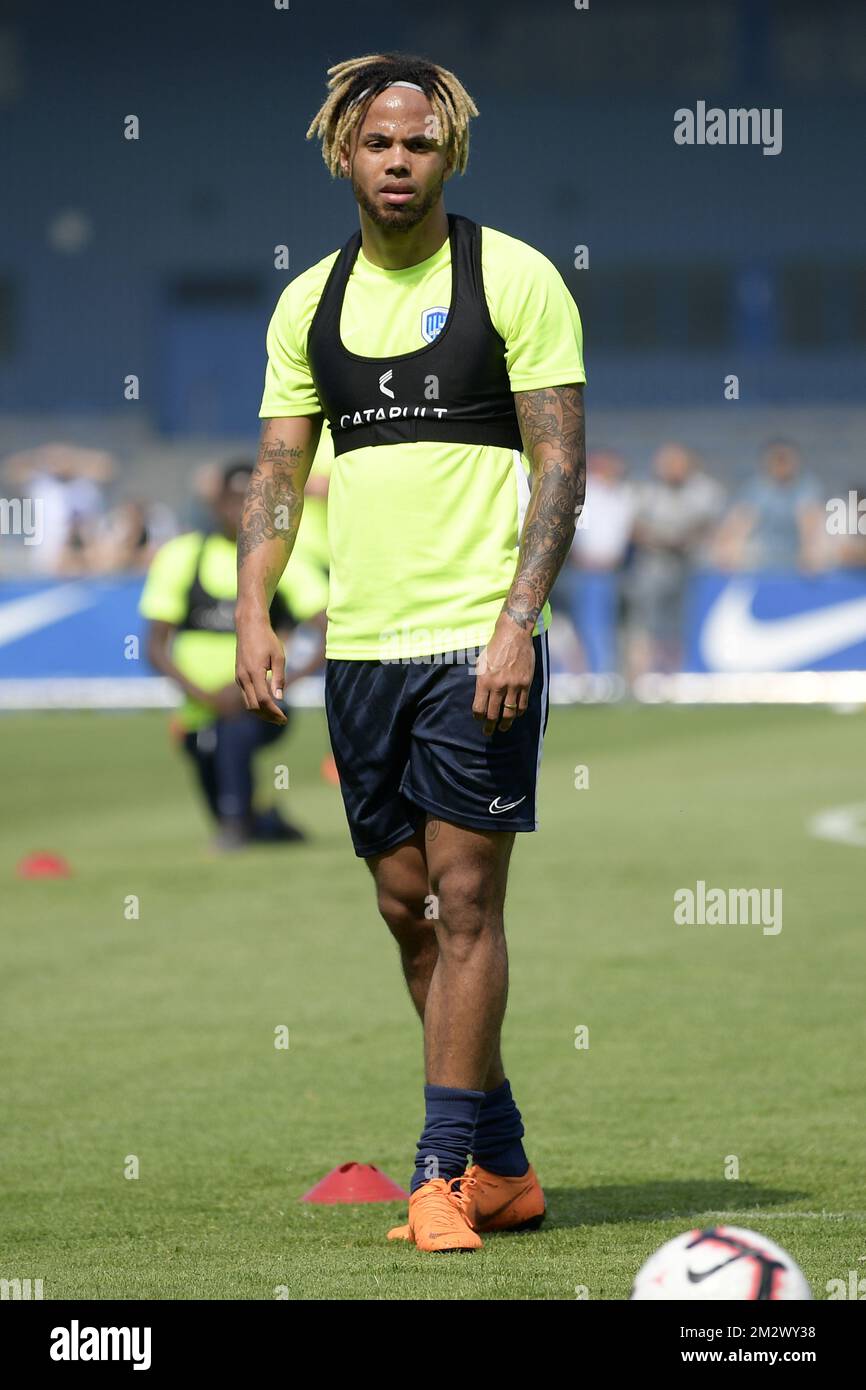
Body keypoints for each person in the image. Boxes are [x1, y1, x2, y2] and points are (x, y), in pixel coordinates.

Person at [234, 53, 586, 1254]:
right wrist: (251, 610)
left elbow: (560, 469)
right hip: (364, 653)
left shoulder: (515, 278)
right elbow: (279, 475)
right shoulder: (307, 304)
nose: (398, 162)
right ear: (345, 152)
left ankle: (437, 1176)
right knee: (406, 906)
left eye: (420, 144)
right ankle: (504, 1163)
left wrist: (515, 620)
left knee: (468, 898)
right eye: (378, 144)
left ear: (451, 155)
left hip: (472, 646)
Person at [141, 461, 327, 850]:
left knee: (233, 736)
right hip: (199, 707)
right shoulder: (181, 556)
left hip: (261, 704)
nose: (238, 510)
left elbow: (331, 630)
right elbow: (155, 646)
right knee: (213, 766)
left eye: (249, 500)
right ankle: (264, 823)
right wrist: (207, 696)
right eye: (230, 500)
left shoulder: (287, 558)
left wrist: (280, 684)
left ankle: (235, 831)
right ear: (215, 504)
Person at [624, 443, 723, 677]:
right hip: (652, 568)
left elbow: (710, 525)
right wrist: (664, 539)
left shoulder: (703, 490)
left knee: (682, 624)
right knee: (643, 624)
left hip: (688, 567)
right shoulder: (646, 492)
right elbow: (633, 529)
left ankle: (678, 674)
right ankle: (639, 676)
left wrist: (685, 538)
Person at [713, 439, 824, 573]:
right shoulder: (756, 488)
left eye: (786, 460)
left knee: (819, 553)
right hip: (764, 549)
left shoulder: (807, 487)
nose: (782, 465)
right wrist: (729, 548)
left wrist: (808, 551)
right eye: (777, 460)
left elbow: (809, 523)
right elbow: (741, 522)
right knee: (730, 552)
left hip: (796, 546)